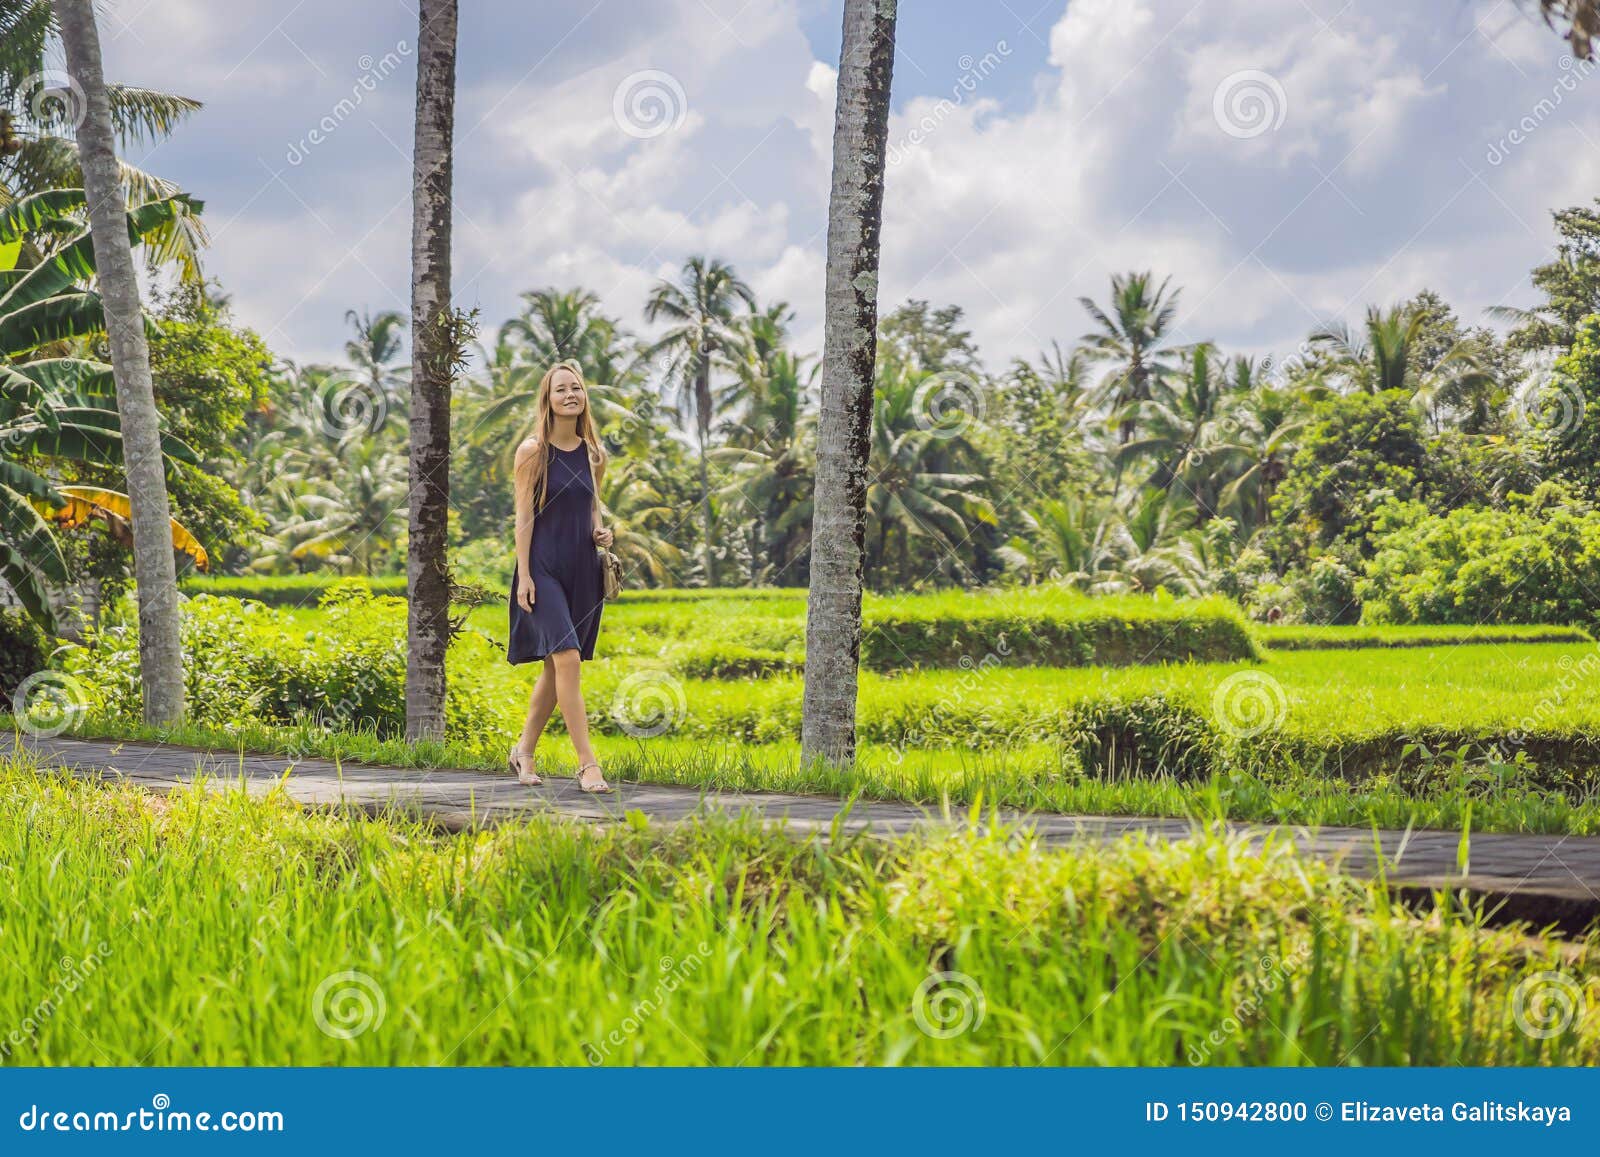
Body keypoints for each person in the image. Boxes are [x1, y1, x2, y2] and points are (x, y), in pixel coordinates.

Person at [505, 359, 614, 794]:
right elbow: (524, 514)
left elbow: (591, 506)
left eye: (576, 388)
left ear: (584, 397)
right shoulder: (532, 451)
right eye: (560, 389)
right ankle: (587, 764)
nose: (570, 395)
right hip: (543, 569)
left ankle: (524, 752)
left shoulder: (593, 453)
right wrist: (526, 576)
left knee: (557, 668)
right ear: (547, 400)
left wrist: (604, 531)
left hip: (583, 569)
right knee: (565, 659)